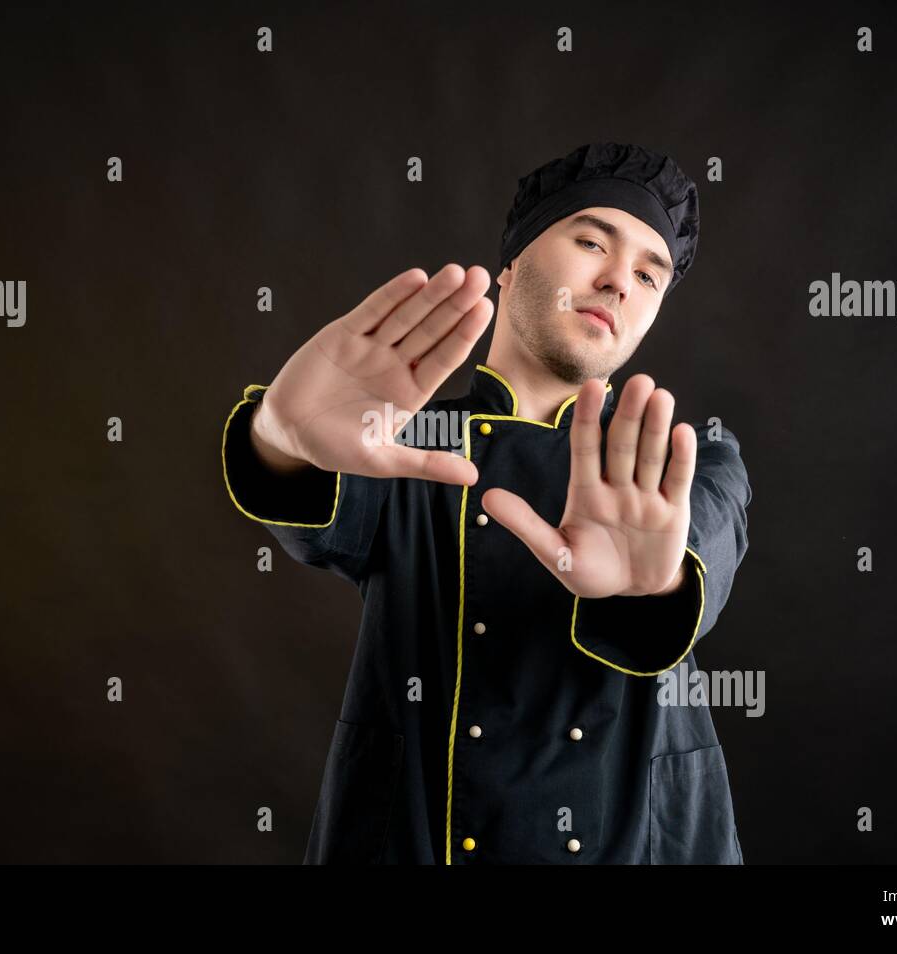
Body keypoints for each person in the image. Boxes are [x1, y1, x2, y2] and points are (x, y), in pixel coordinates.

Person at [220, 142, 752, 864]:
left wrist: (649, 587)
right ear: (512, 262)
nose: (619, 281)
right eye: (593, 240)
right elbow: (311, 519)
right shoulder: (404, 443)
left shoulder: (689, 465)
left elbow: (705, 554)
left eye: (649, 275)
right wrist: (280, 439)